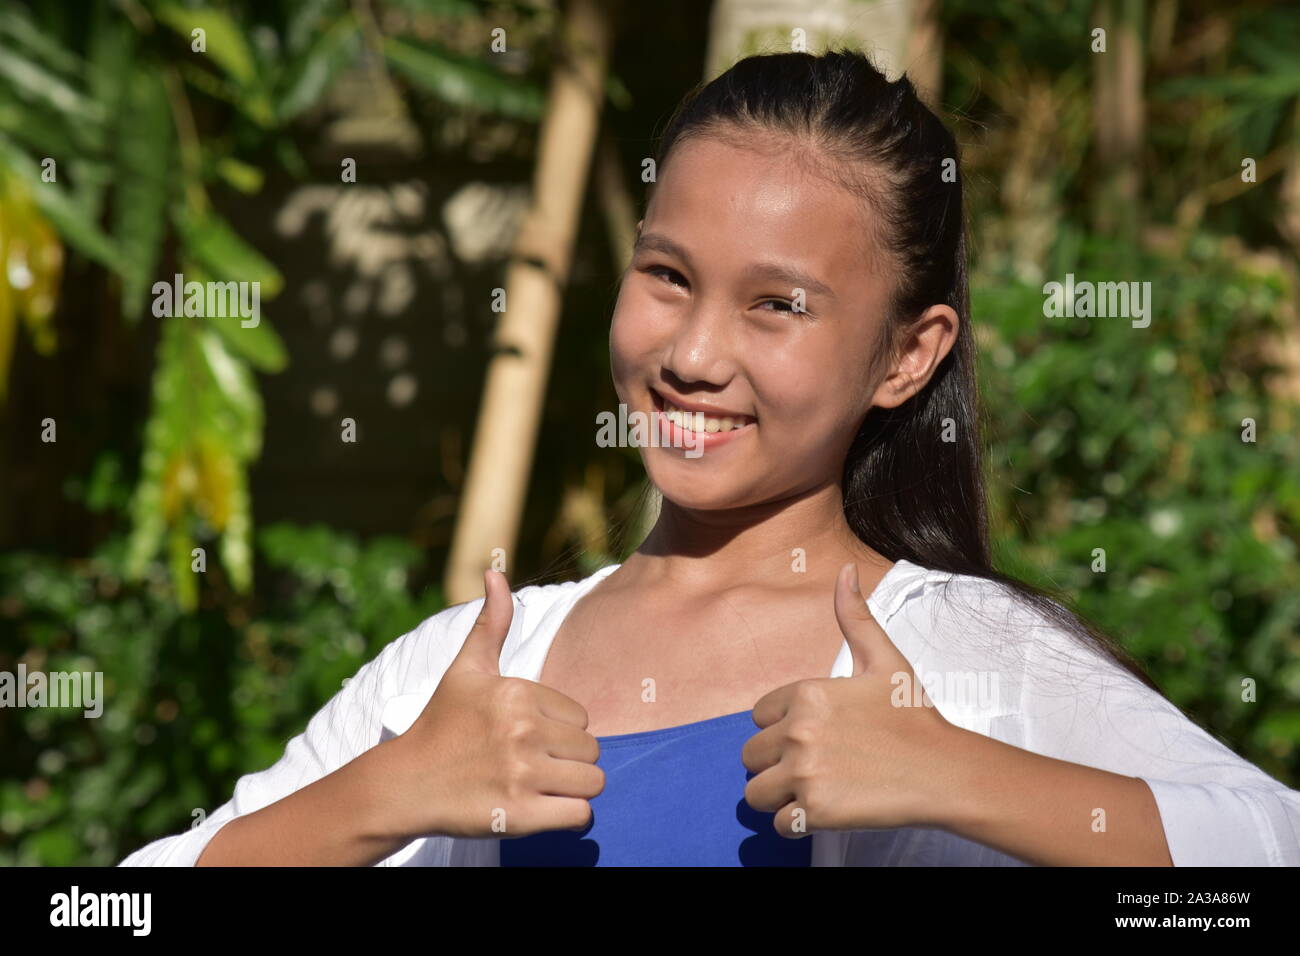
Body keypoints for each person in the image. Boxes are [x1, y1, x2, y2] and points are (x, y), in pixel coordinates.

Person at [119, 49, 1300, 867]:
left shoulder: (958, 655)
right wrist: (380, 794)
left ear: (906, 354)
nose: (689, 352)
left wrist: (962, 774)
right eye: (667, 274)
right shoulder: (468, 669)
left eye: (776, 304)